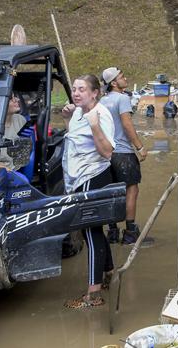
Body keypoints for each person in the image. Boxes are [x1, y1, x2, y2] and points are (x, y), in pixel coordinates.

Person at [61, 74, 116, 309]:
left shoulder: (101, 114)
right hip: (78, 177)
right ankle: (110, 272)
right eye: (74, 89)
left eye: (82, 89)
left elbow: (107, 152)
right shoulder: (76, 112)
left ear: (95, 93)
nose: (76, 93)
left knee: (90, 233)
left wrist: (94, 125)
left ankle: (93, 295)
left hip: (93, 176)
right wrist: (67, 118)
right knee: (93, 230)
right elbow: (75, 139)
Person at [100, 67, 152, 246]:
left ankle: (112, 232)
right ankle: (130, 233)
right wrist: (140, 146)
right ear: (113, 83)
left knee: (111, 192)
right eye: (121, 76)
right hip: (123, 153)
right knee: (131, 190)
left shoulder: (102, 101)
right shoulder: (122, 98)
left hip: (105, 154)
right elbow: (127, 124)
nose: (125, 78)